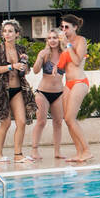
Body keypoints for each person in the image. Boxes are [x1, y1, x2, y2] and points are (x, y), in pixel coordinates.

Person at [0, 19, 36, 164]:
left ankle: (18, 155)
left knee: (22, 122)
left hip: (17, 88)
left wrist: (24, 66)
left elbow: (25, 71)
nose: (7, 34)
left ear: (17, 34)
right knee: (6, 123)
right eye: (5, 31)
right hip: (2, 90)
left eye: (10, 31)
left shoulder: (21, 49)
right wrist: (12, 66)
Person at [27, 28, 67, 161]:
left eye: (55, 38)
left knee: (58, 122)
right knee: (41, 121)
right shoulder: (44, 54)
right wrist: (40, 57)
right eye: (49, 38)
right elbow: (35, 71)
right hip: (43, 93)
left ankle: (57, 152)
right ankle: (34, 150)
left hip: (59, 93)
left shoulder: (64, 54)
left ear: (59, 39)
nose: (52, 40)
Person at [58, 14, 93, 163]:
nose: (64, 30)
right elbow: (62, 64)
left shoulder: (81, 40)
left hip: (79, 81)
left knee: (71, 118)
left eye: (67, 27)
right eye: (62, 27)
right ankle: (79, 153)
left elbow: (77, 61)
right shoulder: (64, 43)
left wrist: (68, 45)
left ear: (75, 27)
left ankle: (87, 150)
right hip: (68, 83)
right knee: (67, 119)